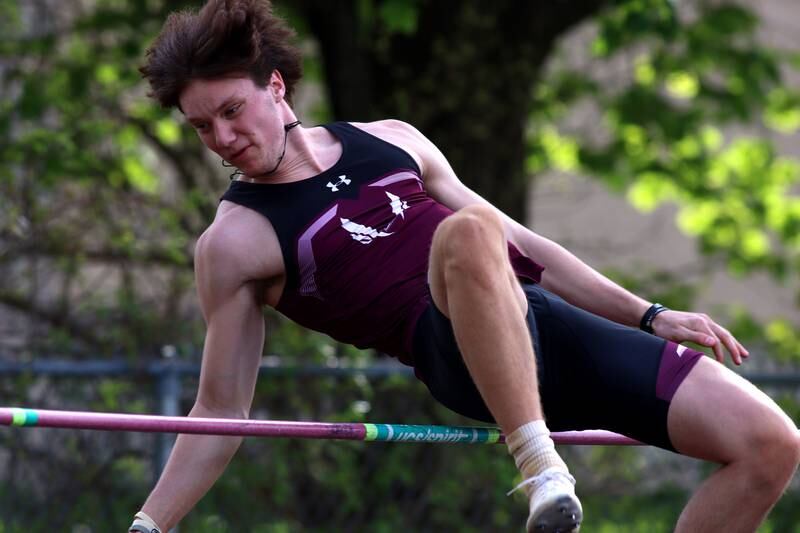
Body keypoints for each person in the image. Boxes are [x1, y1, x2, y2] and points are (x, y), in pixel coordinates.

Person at [129, 1, 800, 532]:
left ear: (275, 86)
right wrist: (149, 525)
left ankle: (545, 460)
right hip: (452, 349)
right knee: (466, 233)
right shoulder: (234, 241)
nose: (222, 139)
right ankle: (540, 469)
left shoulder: (392, 140)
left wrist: (651, 314)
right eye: (201, 127)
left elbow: (526, 246)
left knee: (770, 444)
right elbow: (221, 408)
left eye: (231, 110)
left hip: (546, 326)